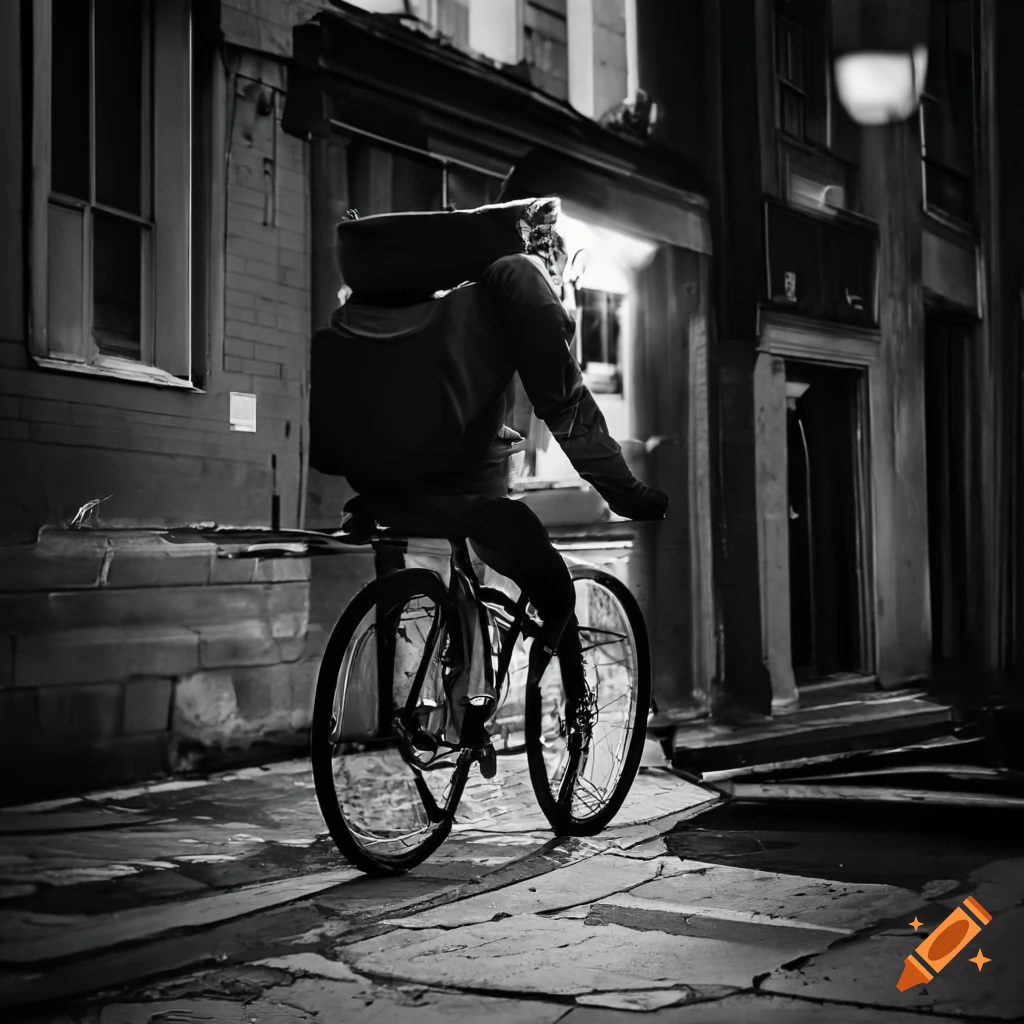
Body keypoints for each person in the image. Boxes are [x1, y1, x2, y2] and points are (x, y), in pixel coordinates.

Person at [310, 192, 667, 754]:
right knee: (552, 587)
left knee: (445, 582)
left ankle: (445, 713)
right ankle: (546, 708)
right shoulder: (516, 283)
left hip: (382, 493)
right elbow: (564, 398)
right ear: (546, 254)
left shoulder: (393, 301)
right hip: (468, 498)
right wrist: (624, 490)